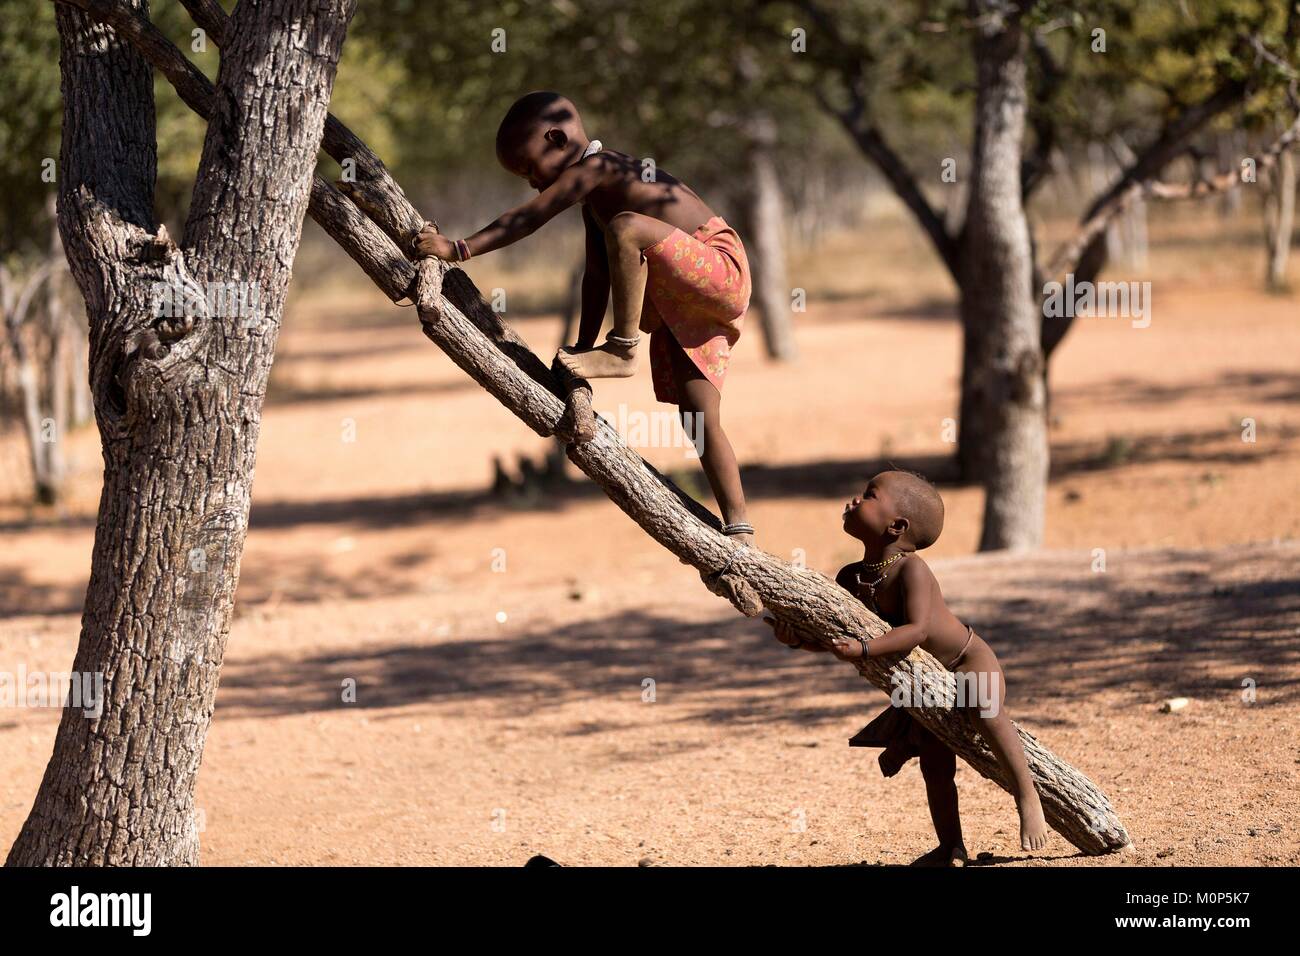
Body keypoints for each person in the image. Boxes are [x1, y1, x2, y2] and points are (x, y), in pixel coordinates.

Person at [414, 91, 755, 544]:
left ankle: (624, 351)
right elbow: (597, 277)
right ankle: (740, 527)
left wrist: (459, 250)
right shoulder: (600, 201)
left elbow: (530, 217)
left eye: (531, 169)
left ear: (557, 139)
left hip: (717, 266)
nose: (535, 184)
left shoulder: (600, 169)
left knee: (627, 227)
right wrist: (581, 346)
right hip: (691, 292)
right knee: (698, 417)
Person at [767, 470, 1051, 865]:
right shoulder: (850, 577)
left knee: (984, 709)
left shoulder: (912, 570)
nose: (854, 499)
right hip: (922, 682)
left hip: (965, 659)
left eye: (869, 495)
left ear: (896, 526)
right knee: (936, 767)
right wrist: (799, 641)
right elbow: (841, 639)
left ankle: (1027, 795)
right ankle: (950, 845)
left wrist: (864, 649)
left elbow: (916, 631)